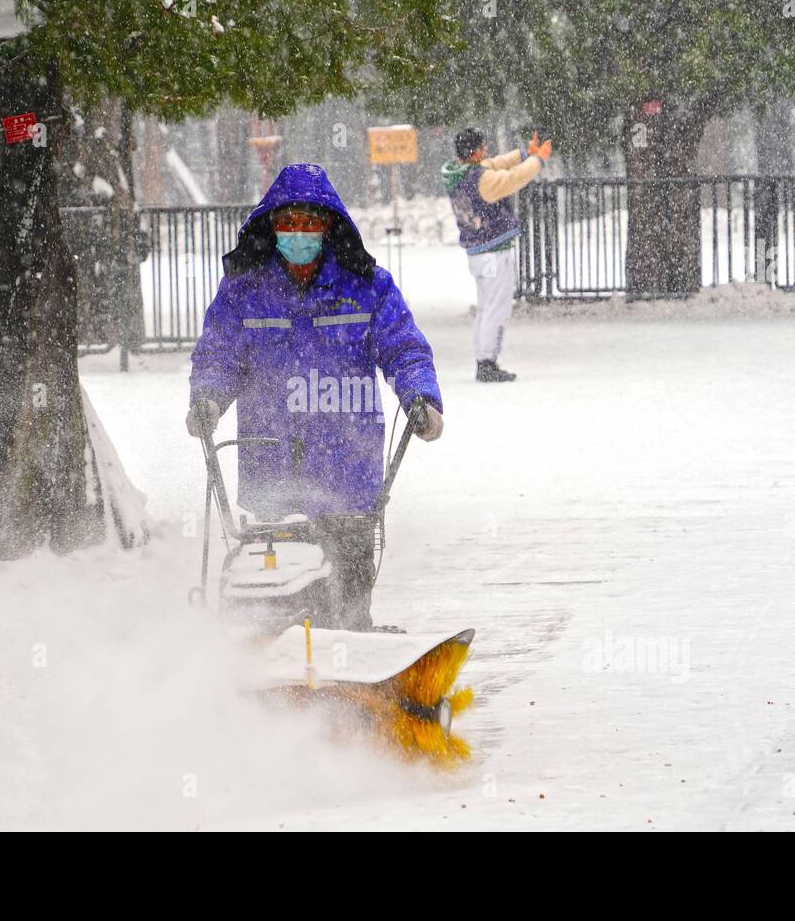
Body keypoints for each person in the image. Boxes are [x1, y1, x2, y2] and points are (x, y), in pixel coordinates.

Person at [186, 163, 443, 631]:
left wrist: (419, 397)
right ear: (272, 226)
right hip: (272, 467)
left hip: (347, 467)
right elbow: (218, 353)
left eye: (309, 223)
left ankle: (351, 661)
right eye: (288, 223)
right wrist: (208, 399)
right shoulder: (244, 291)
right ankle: (268, 668)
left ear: (328, 226)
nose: (298, 233)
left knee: (347, 596)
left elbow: (403, 346)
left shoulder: (365, 286)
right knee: (274, 590)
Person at [441, 128, 551, 381]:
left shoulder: (460, 174)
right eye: (483, 146)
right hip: (492, 252)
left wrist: (524, 153)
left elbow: (496, 164)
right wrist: (538, 160)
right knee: (496, 309)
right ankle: (487, 362)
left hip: (478, 253)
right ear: (476, 150)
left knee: (486, 308)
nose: (487, 150)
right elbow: (513, 178)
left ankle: (484, 358)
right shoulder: (482, 181)